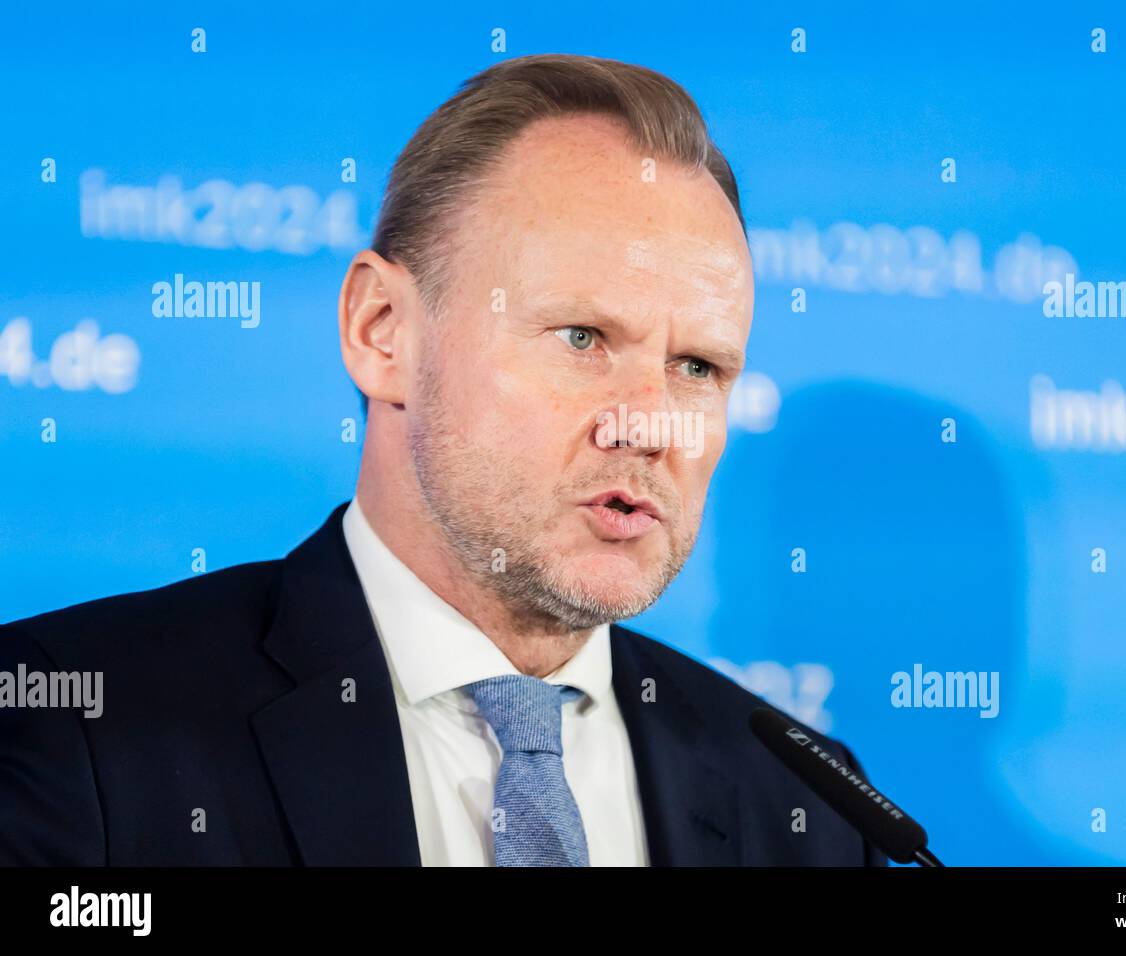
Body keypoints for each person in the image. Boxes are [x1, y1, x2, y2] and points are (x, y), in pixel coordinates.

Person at [0, 53, 887, 867]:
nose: (649, 424)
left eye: (697, 366)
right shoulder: (70, 729)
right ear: (381, 332)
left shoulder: (807, 809)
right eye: (582, 337)